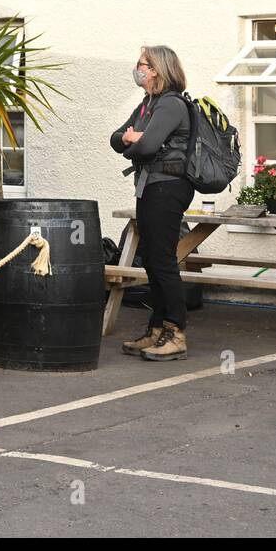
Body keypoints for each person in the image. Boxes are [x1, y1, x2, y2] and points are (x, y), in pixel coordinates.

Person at [110, 45, 193, 361]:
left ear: (156, 69)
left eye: (142, 63)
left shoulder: (171, 105)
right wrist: (129, 139)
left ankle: (176, 333)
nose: (137, 68)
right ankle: (157, 330)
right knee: (151, 259)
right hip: (149, 187)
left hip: (168, 187)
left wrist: (133, 141)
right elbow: (115, 137)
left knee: (162, 260)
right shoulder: (148, 105)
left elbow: (146, 148)